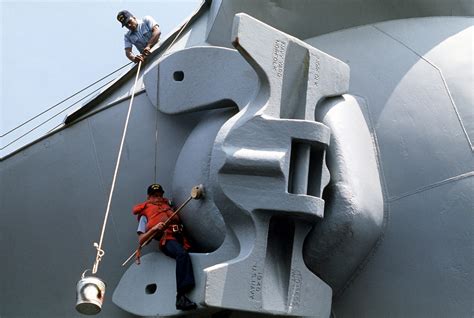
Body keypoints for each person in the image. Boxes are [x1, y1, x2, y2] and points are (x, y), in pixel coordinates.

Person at [132, 183, 197, 311]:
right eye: (154, 196)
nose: (158, 198)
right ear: (148, 197)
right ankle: (181, 296)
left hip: (180, 237)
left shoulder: (168, 205)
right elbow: (141, 240)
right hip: (166, 240)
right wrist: (154, 229)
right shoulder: (145, 214)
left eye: (160, 195)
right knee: (181, 254)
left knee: (193, 254)